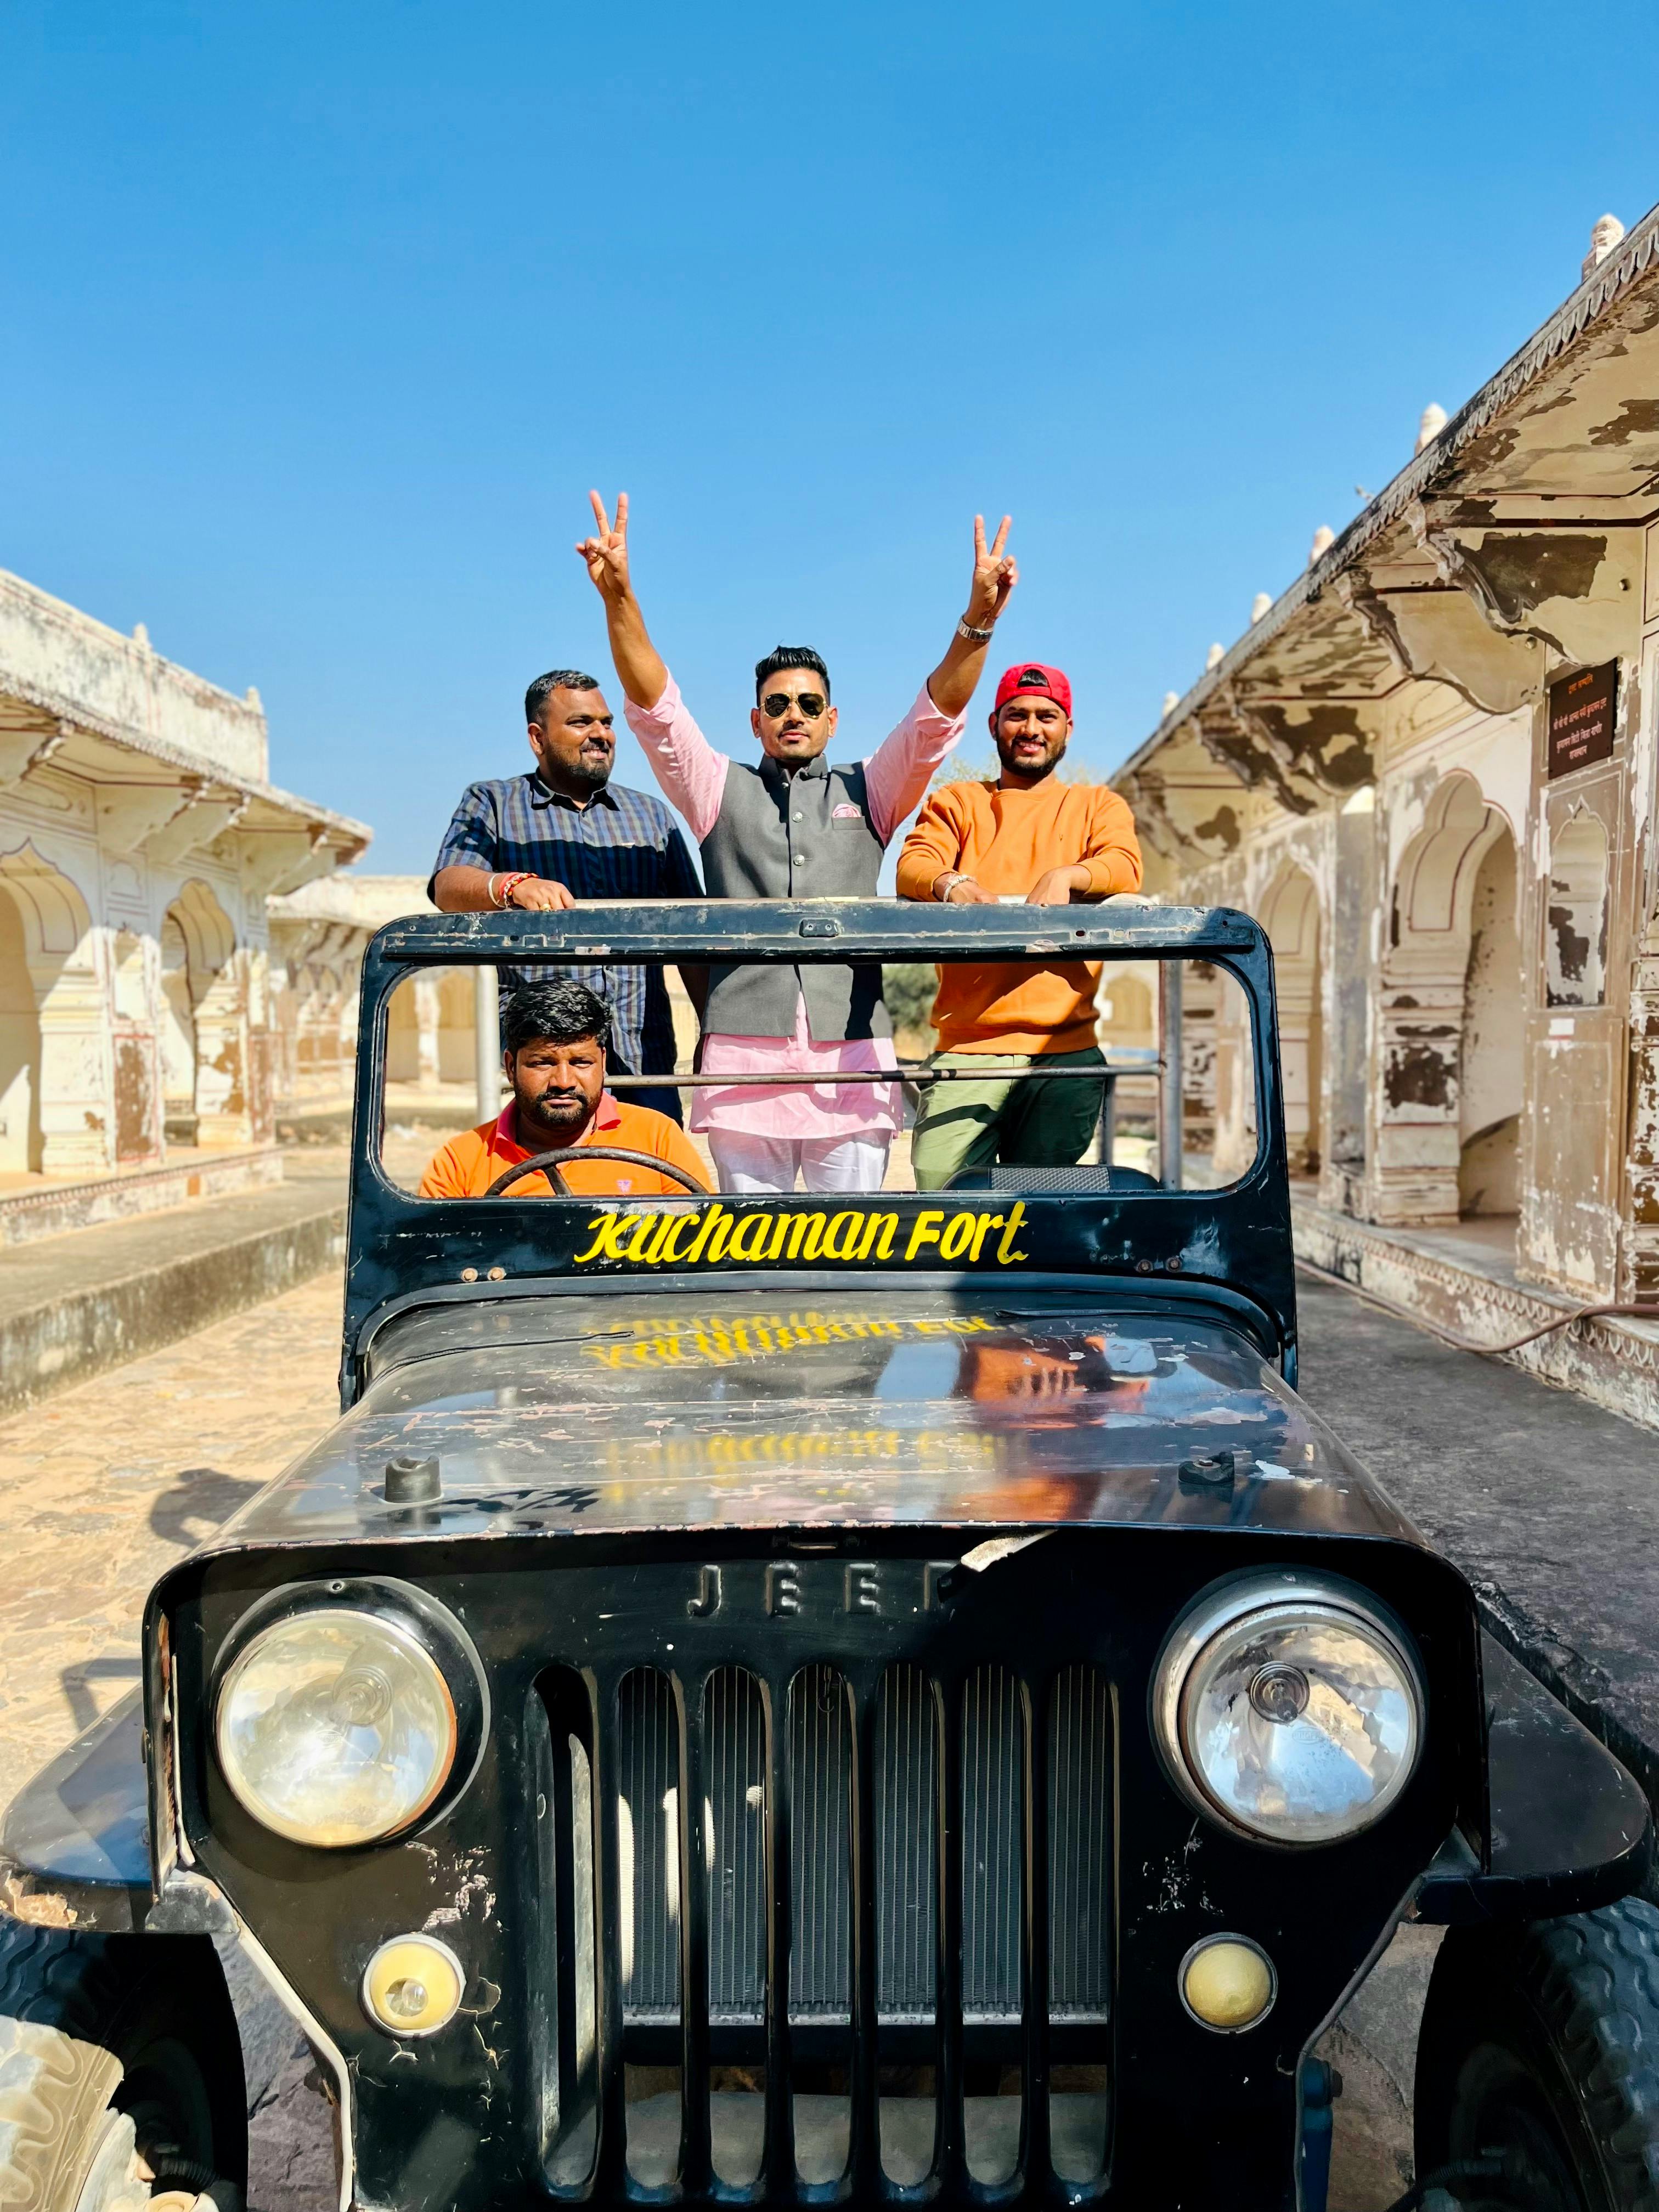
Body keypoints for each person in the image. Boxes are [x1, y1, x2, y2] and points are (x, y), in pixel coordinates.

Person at [576, 491, 1017, 1193]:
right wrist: (619, 598)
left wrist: (979, 622)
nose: (793, 715)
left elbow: (936, 718)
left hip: (852, 1061)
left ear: (832, 718)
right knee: (759, 1259)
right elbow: (658, 713)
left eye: (809, 704)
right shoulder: (718, 788)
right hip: (744, 1065)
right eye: (777, 704)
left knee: (852, 1254)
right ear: (756, 721)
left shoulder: (869, 790)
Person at [895, 662, 1143, 1190]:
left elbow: (1125, 863)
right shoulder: (959, 802)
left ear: (1067, 728)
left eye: (1046, 716)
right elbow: (914, 864)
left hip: (1064, 1054)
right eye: (1017, 715)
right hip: (967, 1052)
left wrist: (1071, 874)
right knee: (943, 1205)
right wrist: (951, 882)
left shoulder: (1096, 805)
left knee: (1041, 1219)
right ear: (994, 725)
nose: (1031, 728)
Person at [430, 668, 703, 1120]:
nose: (601, 735)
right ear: (537, 738)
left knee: (653, 1185)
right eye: (581, 723)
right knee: (552, 1185)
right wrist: (511, 886)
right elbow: (448, 885)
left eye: (607, 722)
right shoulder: (493, 804)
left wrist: (711, 1034)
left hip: (643, 1063)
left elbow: (691, 935)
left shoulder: (650, 817)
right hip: (544, 1068)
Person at [419, 979, 709, 1199]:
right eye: (542, 1063)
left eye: (581, 1062)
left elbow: (699, 1243)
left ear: (603, 1063)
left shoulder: (658, 1136)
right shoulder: (460, 1160)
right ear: (510, 1068)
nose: (564, 1081)